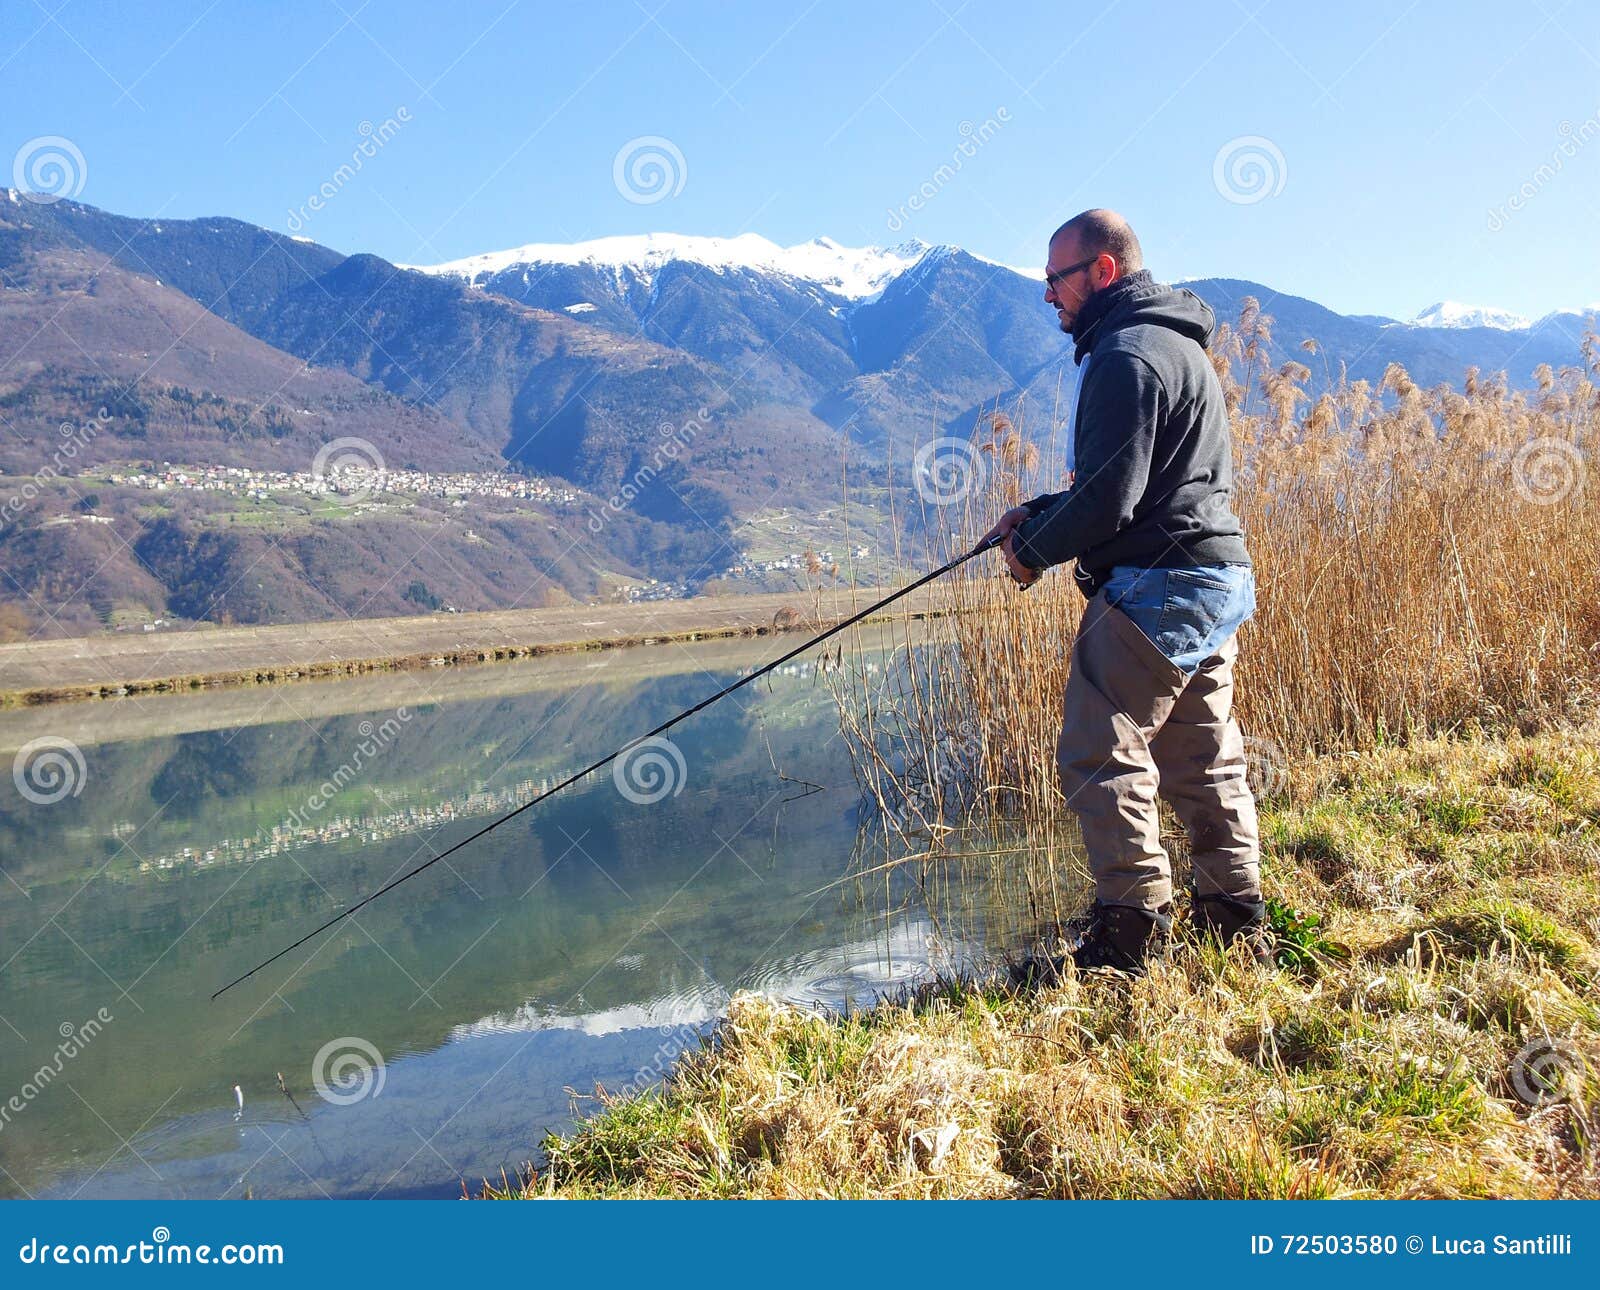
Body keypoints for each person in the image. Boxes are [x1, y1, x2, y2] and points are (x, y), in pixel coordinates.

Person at [982, 208, 1266, 975]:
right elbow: (1144, 485)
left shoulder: (1124, 356)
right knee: (1202, 757)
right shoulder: (1178, 347)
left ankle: (1128, 932)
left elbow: (1110, 502)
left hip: (1156, 585)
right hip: (1214, 579)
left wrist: (1030, 552)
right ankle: (1236, 918)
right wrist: (1039, 512)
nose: (1048, 294)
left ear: (1102, 271)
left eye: (1056, 277)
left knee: (1099, 751)